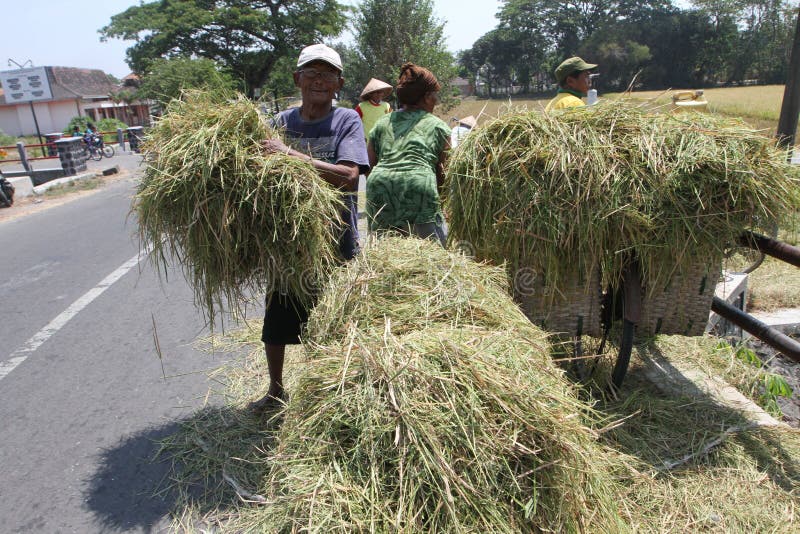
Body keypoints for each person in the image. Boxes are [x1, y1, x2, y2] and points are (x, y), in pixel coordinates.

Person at [252, 43, 369, 413]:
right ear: (297, 79)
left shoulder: (347, 120)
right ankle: (275, 391)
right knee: (279, 316)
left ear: (339, 83)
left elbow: (349, 177)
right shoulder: (279, 124)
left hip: (336, 240)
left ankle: (328, 395)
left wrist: (289, 156)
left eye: (328, 74)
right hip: (288, 241)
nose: (320, 81)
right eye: (312, 73)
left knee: (335, 317)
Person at [366, 62, 450, 247]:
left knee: (386, 257)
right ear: (427, 97)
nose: (436, 100)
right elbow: (444, 173)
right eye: (435, 95)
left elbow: (369, 164)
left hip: (379, 187)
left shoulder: (382, 123)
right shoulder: (438, 126)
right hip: (419, 187)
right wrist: (441, 204)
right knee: (431, 258)